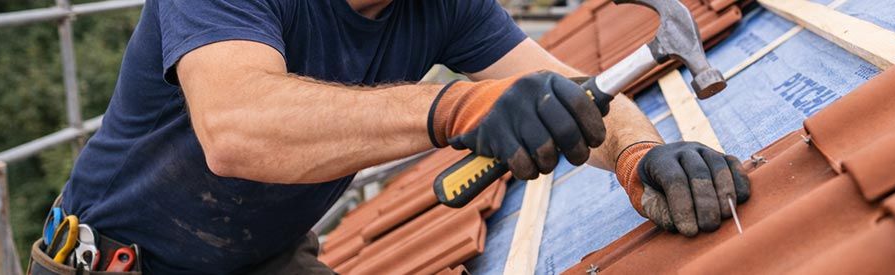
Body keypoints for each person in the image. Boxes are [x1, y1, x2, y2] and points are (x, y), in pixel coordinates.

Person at [54, 0, 751, 273]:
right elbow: (236, 128)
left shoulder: (443, 5)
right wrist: (454, 107)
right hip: (123, 262)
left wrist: (638, 151)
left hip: (261, 262)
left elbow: (563, 86)